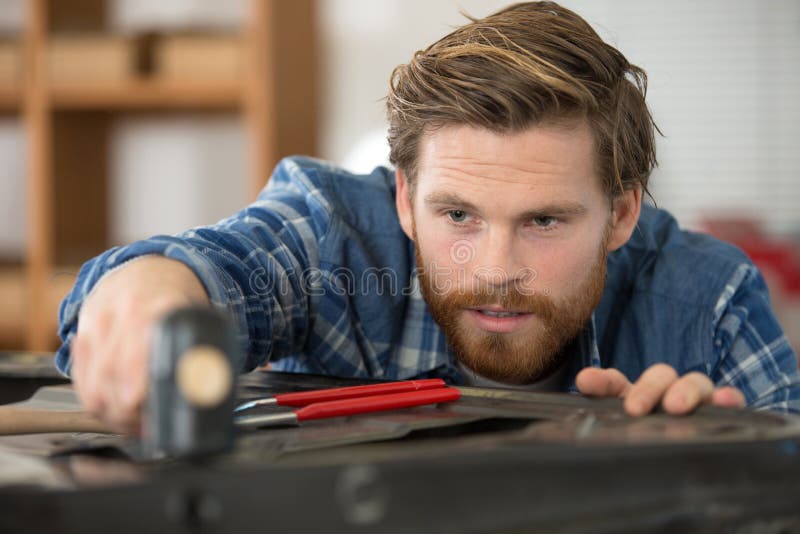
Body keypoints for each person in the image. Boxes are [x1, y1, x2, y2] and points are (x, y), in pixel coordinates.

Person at [57, 2, 800, 433]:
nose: (496, 268)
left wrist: (719, 468)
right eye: (458, 215)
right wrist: (148, 290)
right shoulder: (335, 242)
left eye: (544, 221)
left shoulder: (710, 306)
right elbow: (224, 267)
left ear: (622, 213)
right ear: (406, 199)